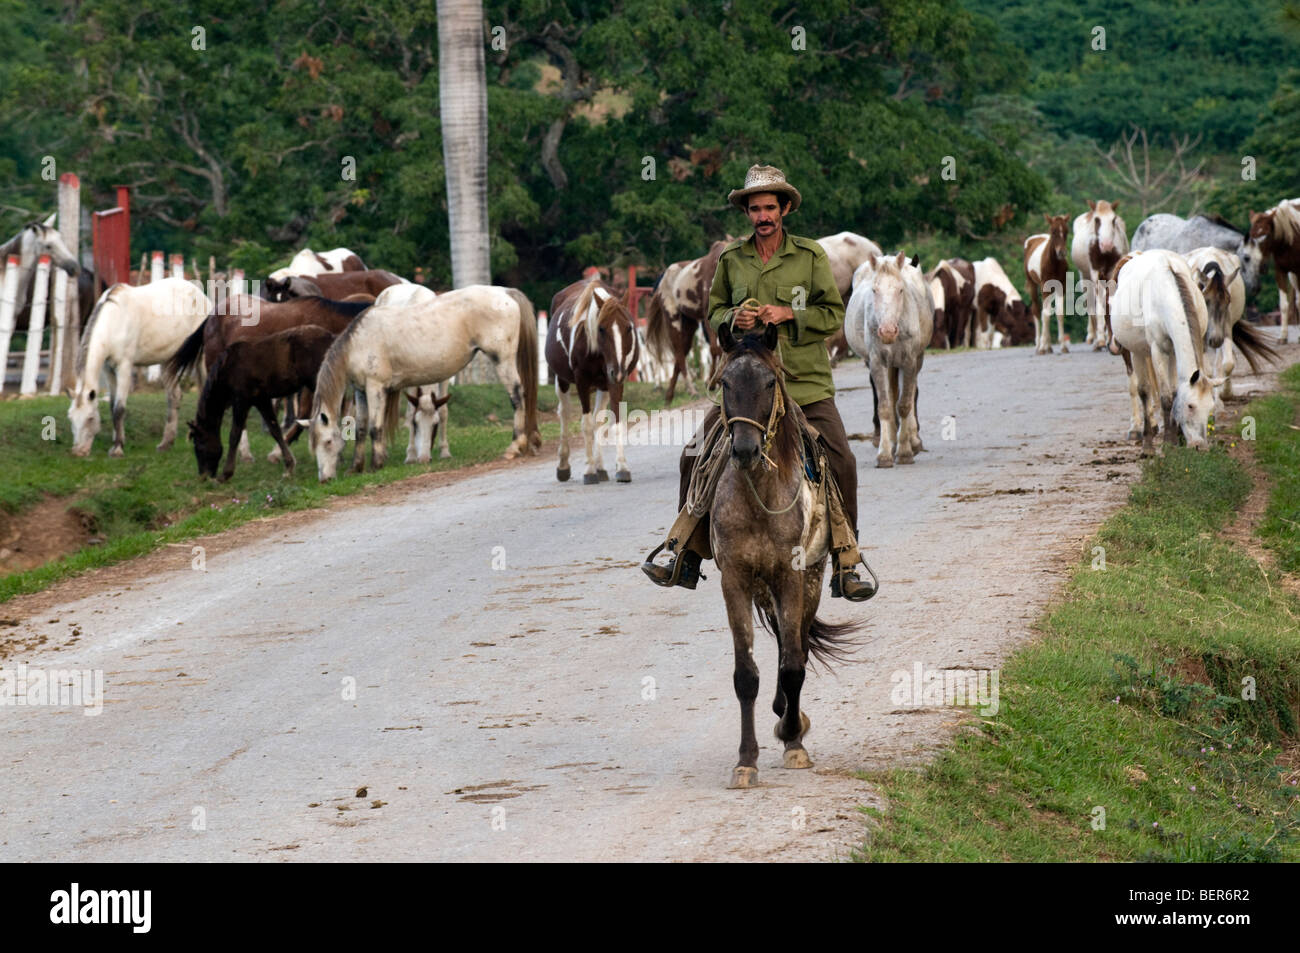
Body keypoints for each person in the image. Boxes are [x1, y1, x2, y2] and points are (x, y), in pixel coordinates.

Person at [642, 164, 876, 602]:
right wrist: (734, 317)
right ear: (747, 213)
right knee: (693, 454)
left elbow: (832, 315)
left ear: (784, 208)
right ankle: (686, 552)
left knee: (843, 459)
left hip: (802, 383)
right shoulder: (732, 261)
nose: (763, 215)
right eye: (755, 209)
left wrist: (789, 315)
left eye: (770, 207)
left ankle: (847, 559)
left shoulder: (810, 257)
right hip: (745, 388)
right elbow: (713, 315)